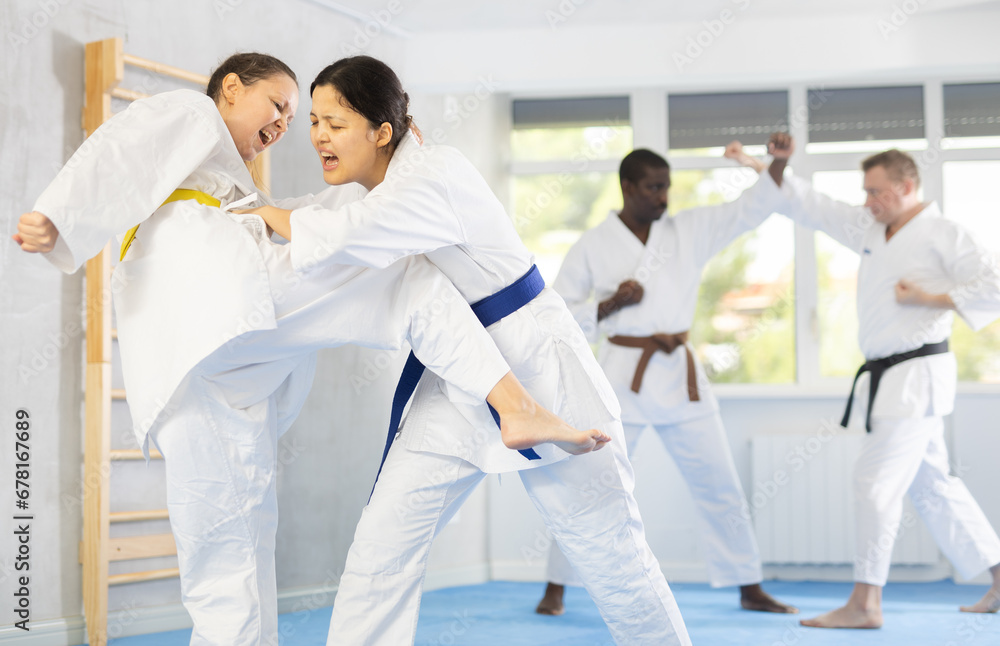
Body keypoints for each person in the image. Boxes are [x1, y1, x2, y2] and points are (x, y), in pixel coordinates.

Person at [13, 53, 605, 646]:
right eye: (278, 106)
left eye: (294, 120)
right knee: (406, 281)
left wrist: (374, 189)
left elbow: (301, 213)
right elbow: (124, 147)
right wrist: (57, 216)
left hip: (192, 367)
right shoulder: (194, 114)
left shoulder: (233, 184)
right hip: (213, 298)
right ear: (230, 87)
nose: (283, 127)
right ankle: (515, 404)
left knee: (231, 550)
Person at [249, 55, 692, 645]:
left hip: (540, 368)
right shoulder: (381, 184)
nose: (318, 137)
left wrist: (258, 214)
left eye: (335, 123)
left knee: (612, 552)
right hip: (458, 379)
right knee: (380, 552)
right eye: (316, 122)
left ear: (382, 133)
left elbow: (347, 236)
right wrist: (242, 217)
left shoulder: (433, 174)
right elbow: (329, 215)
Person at [531, 139, 797, 616]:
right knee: (591, 479)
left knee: (719, 481)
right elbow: (555, 313)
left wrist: (777, 163)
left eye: (667, 187)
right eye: (654, 188)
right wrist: (611, 304)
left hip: (680, 372)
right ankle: (556, 586)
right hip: (619, 374)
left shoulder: (688, 230)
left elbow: (748, 210)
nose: (663, 197)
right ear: (627, 187)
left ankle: (748, 585)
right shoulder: (592, 244)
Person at [745, 145, 1000, 628]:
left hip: (916, 375)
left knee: (874, 483)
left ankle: (866, 604)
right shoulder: (871, 227)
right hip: (890, 377)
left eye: (876, 191)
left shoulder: (945, 233)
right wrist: (765, 167)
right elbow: (815, 205)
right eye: (864, 192)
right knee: (934, 489)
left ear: (906, 187)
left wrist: (929, 298)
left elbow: (995, 283)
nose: (867, 201)